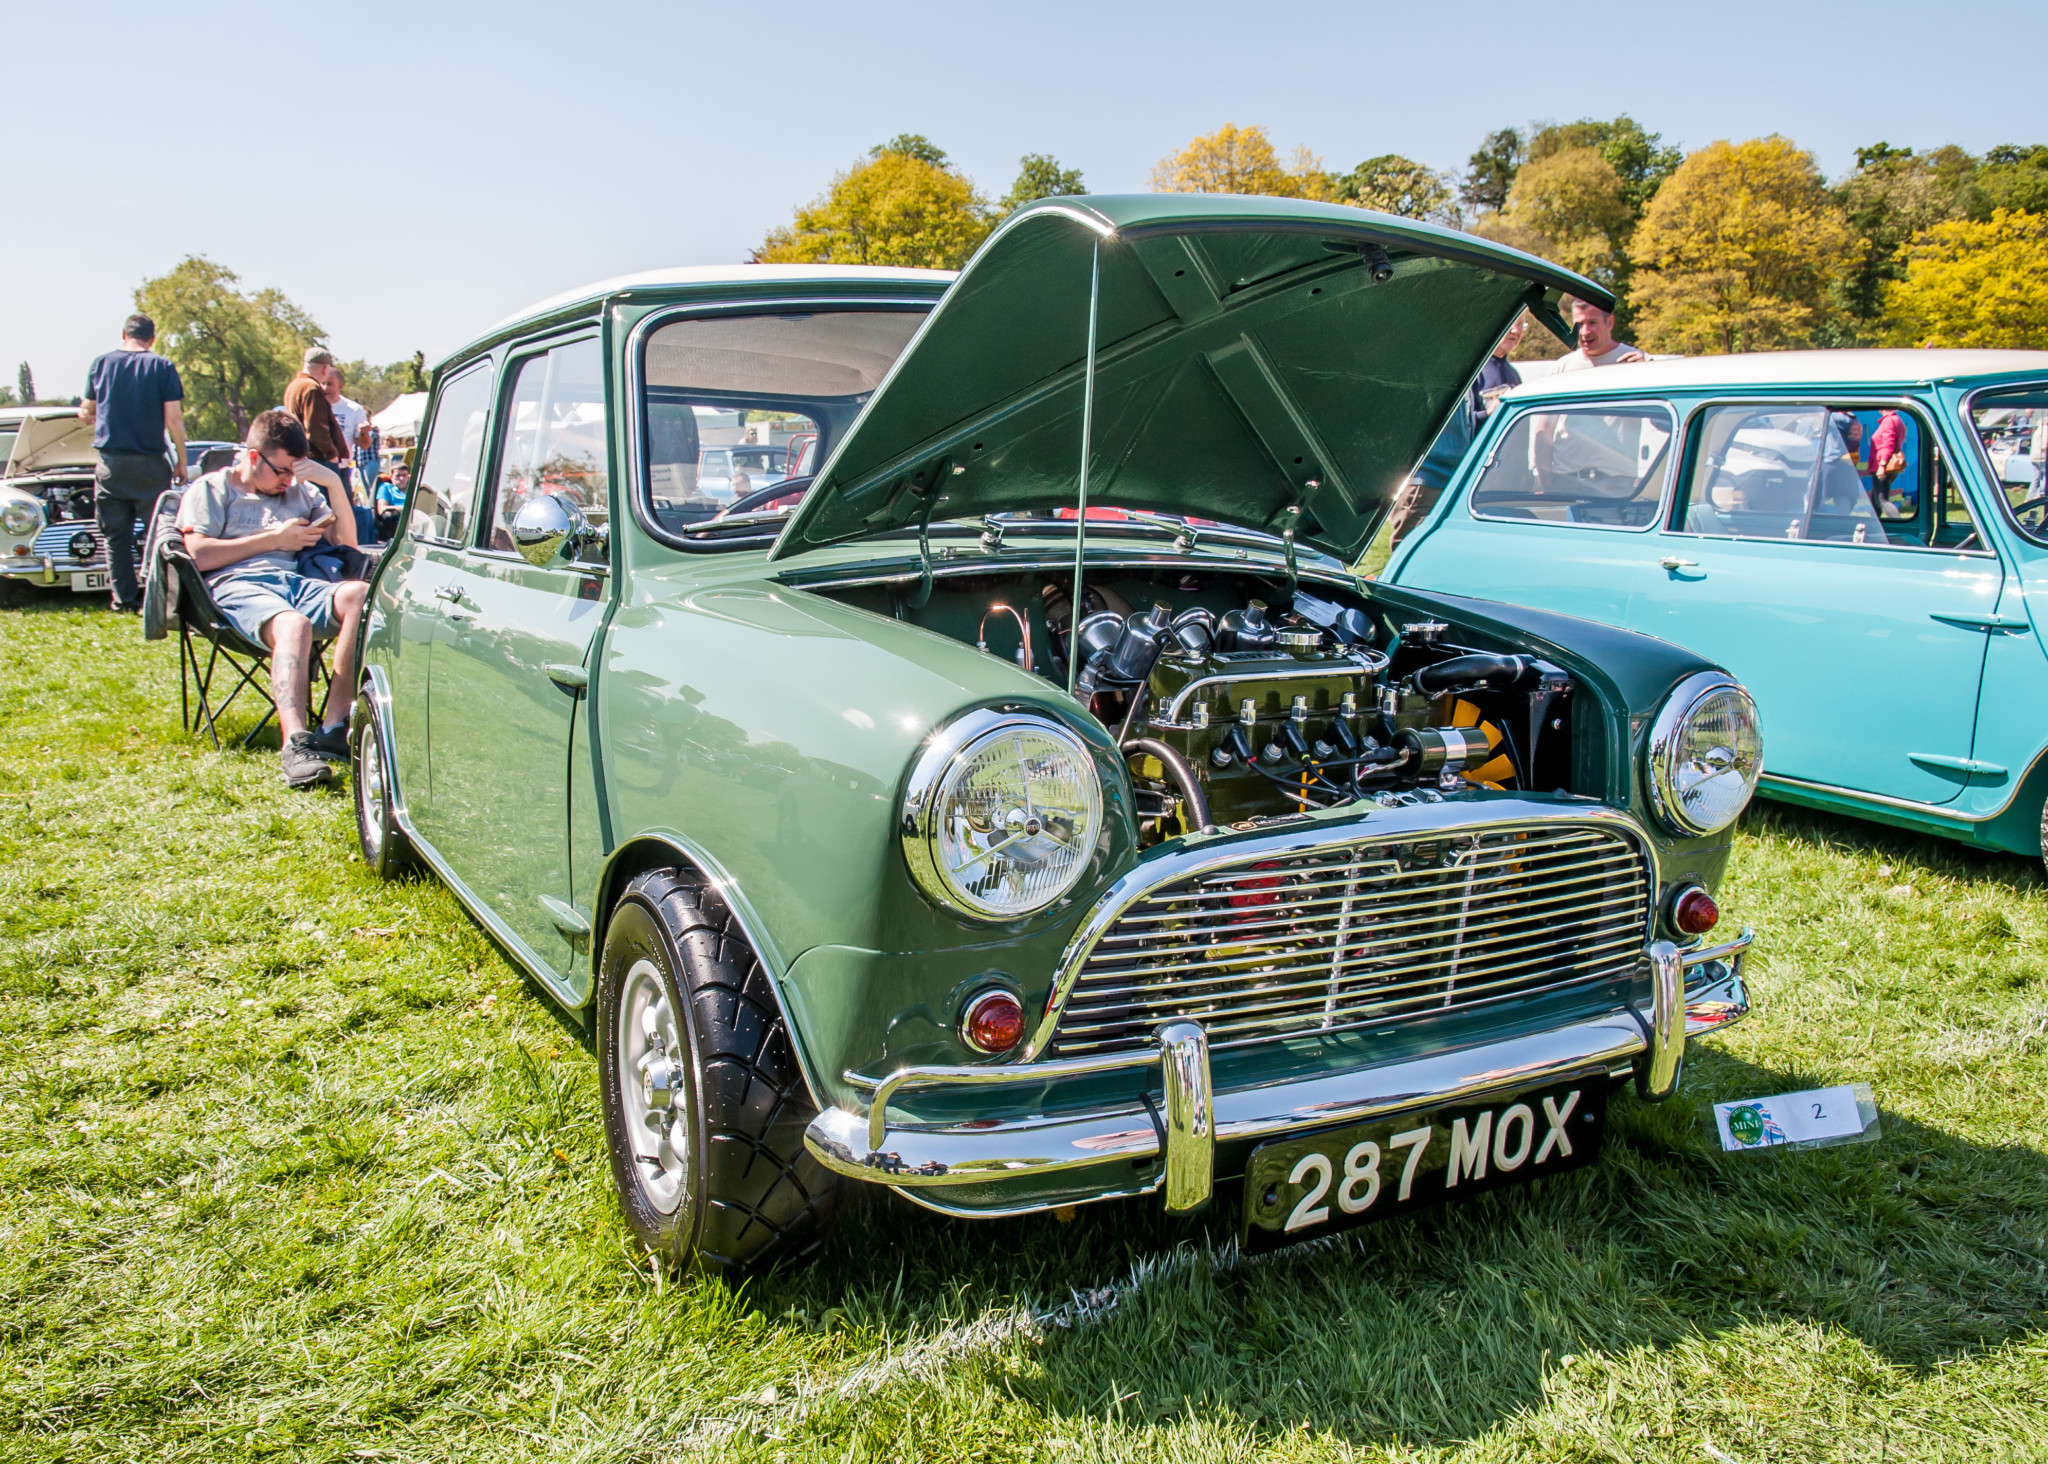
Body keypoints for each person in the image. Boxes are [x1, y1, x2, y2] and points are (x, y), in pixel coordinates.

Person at [175, 410, 366, 789]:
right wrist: (274, 540)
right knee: (293, 623)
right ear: (252, 456)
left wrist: (333, 484)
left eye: (295, 471)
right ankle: (296, 744)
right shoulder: (213, 489)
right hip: (236, 587)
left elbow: (348, 547)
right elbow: (196, 554)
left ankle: (334, 726)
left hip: (295, 583)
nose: (288, 480)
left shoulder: (302, 492)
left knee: (359, 594)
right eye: (281, 471)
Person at [1383, 316, 1527, 552]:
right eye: (1512, 321)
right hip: (1429, 479)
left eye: (1522, 324)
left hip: (1465, 482)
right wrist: (1490, 413)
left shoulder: (1509, 373)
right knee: (1411, 554)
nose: (1515, 330)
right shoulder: (1453, 365)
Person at [79, 313, 186, 612]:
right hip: (150, 463)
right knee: (160, 535)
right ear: (153, 338)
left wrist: (89, 413)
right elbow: (173, 419)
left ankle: (123, 599)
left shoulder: (101, 364)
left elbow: (87, 409)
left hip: (111, 463)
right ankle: (158, 599)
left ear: (123, 334)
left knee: (116, 536)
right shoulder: (161, 366)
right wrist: (180, 460)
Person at [283, 348, 351, 491]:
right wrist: (331, 454)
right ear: (325, 368)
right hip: (318, 460)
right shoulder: (311, 388)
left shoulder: (294, 386)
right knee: (328, 509)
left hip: (301, 457)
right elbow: (316, 429)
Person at [1555, 298, 1646, 371]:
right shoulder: (1562, 369)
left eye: (1592, 323)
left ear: (1610, 322)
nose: (1585, 332)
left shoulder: (1638, 362)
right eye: (1580, 324)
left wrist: (1644, 371)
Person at [373, 460, 409, 541]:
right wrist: (402, 508)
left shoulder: (413, 490)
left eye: (404, 475)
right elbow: (381, 509)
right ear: (391, 477)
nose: (401, 478)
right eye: (398, 475)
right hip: (396, 520)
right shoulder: (386, 488)